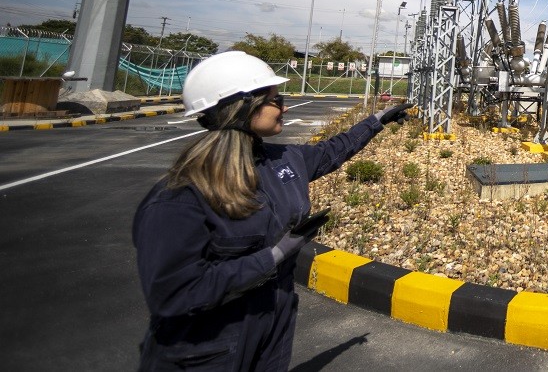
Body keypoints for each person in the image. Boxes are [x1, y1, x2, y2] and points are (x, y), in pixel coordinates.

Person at [132, 50, 413, 370]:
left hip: (272, 324)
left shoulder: (282, 161)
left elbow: (332, 151)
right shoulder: (182, 194)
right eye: (275, 100)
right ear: (242, 108)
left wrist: (376, 122)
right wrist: (273, 257)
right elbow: (174, 292)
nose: (284, 107)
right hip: (204, 349)